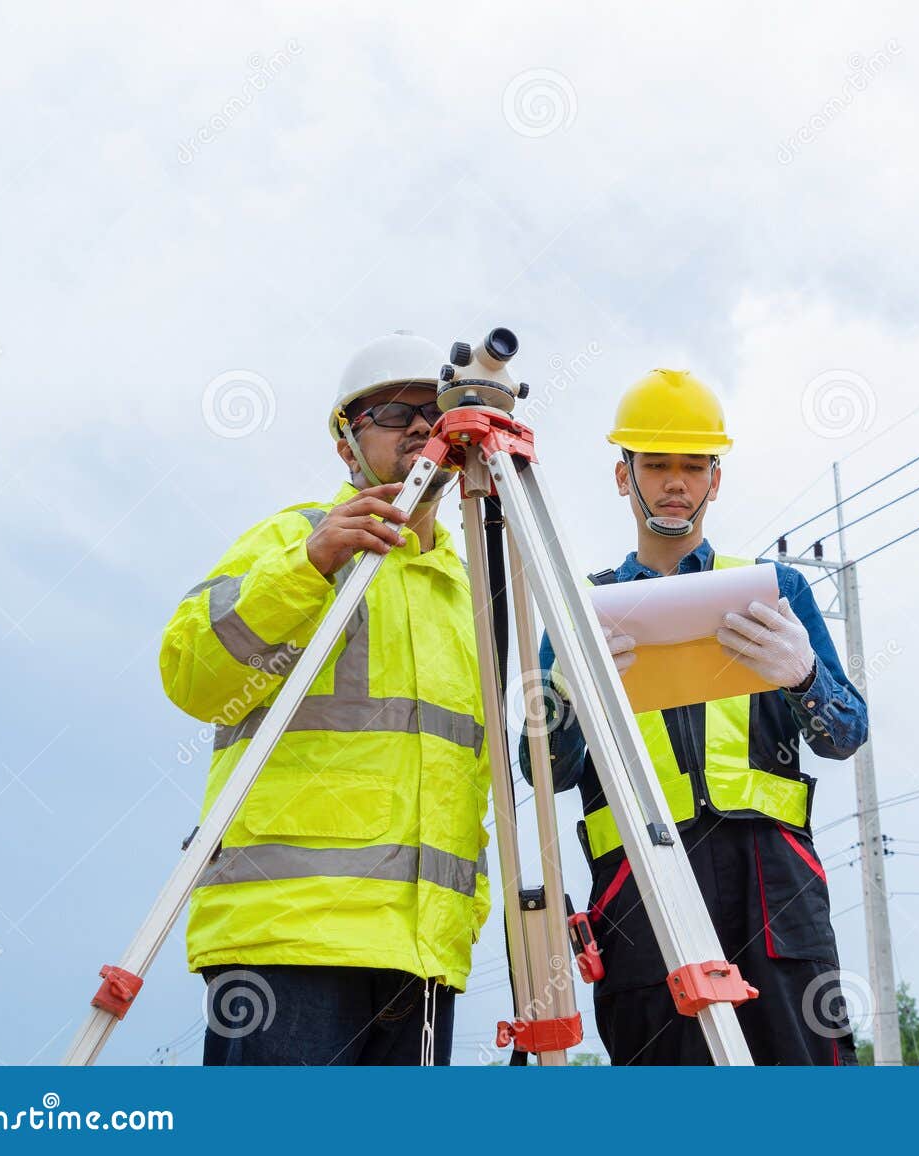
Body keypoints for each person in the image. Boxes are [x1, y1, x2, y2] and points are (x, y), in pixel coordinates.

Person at [160, 331, 491, 1065]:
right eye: (392, 411)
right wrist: (310, 568)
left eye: (431, 410)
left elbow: (471, 780)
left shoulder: (470, 592)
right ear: (347, 446)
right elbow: (193, 679)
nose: (418, 425)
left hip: (421, 955)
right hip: (288, 937)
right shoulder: (295, 540)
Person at [521, 368, 868, 1064]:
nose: (674, 483)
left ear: (716, 479)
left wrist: (804, 677)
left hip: (774, 890)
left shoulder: (777, 591)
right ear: (625, 477)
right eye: (656, 465)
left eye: (692, 466)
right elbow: (543, 772)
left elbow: (846, 735)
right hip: (643, 893)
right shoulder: (577, 609)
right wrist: (565, 701)